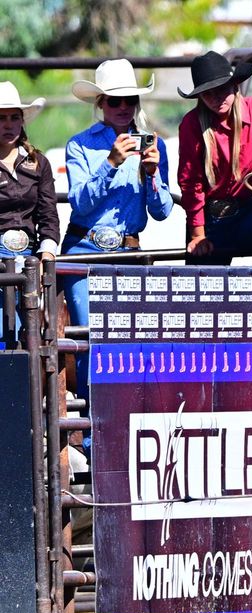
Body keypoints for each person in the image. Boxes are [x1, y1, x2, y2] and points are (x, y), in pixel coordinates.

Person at [62, 59, 173, 384]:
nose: (123, 107)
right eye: (115, 100)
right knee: (88, 338)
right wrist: (111, 163)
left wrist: (152, 175)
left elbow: (163, 210)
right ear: (101, 104)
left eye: (130, 100)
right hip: (84, 248)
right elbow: (80, 204)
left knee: (131, 342)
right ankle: (87, 431)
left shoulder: (153, 145)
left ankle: (118, 424)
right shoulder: (80, 144)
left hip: (129, 251)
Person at [177, 51, 252, 265]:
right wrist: (198, 233)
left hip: (248, 210)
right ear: (200, 97)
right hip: (209, 219)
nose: (216, 98)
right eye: (208, 94)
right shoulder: (191, 123)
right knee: (203, 288)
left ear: (234, 86)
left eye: (222, 90)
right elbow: (191, 183)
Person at [0, 81, 58, 265]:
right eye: (1, 118)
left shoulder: (40, 162)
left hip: (31, 255)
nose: (8, 125)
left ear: (22, 121)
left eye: (14, 117)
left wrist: (47, 254)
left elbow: (48, 214)